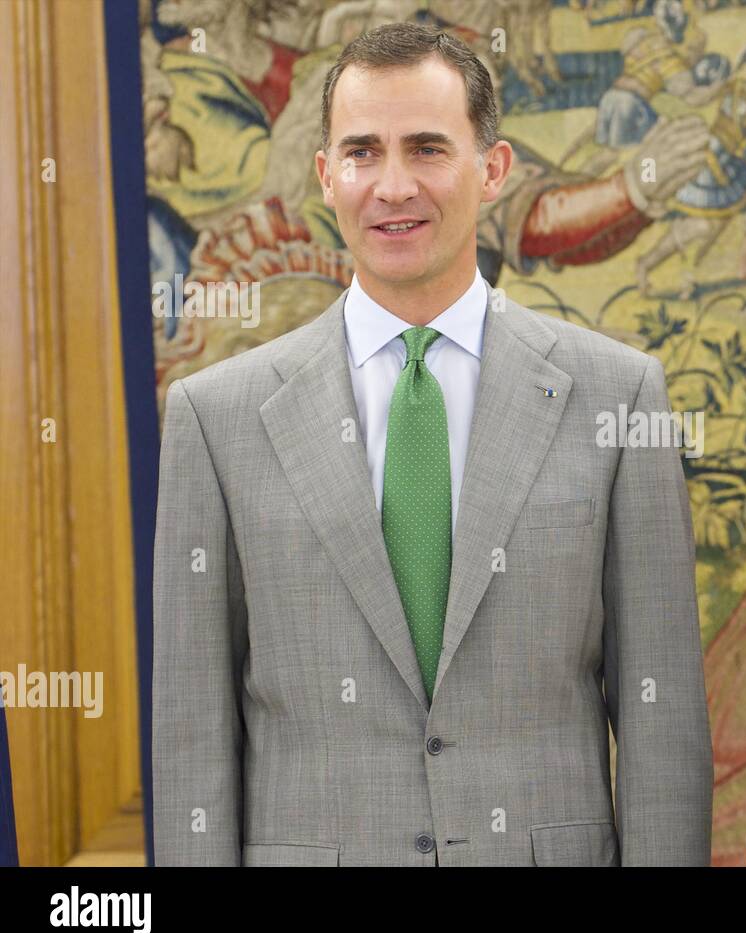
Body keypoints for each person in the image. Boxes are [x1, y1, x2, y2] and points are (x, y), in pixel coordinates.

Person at [152, 22, 711, 866]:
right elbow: (192, 729)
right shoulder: (215, 416)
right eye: (362, 152)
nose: (392, 185)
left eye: (426, 148)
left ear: (493, 170)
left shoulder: (620, 395)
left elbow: (660, 714)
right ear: (325, 175)